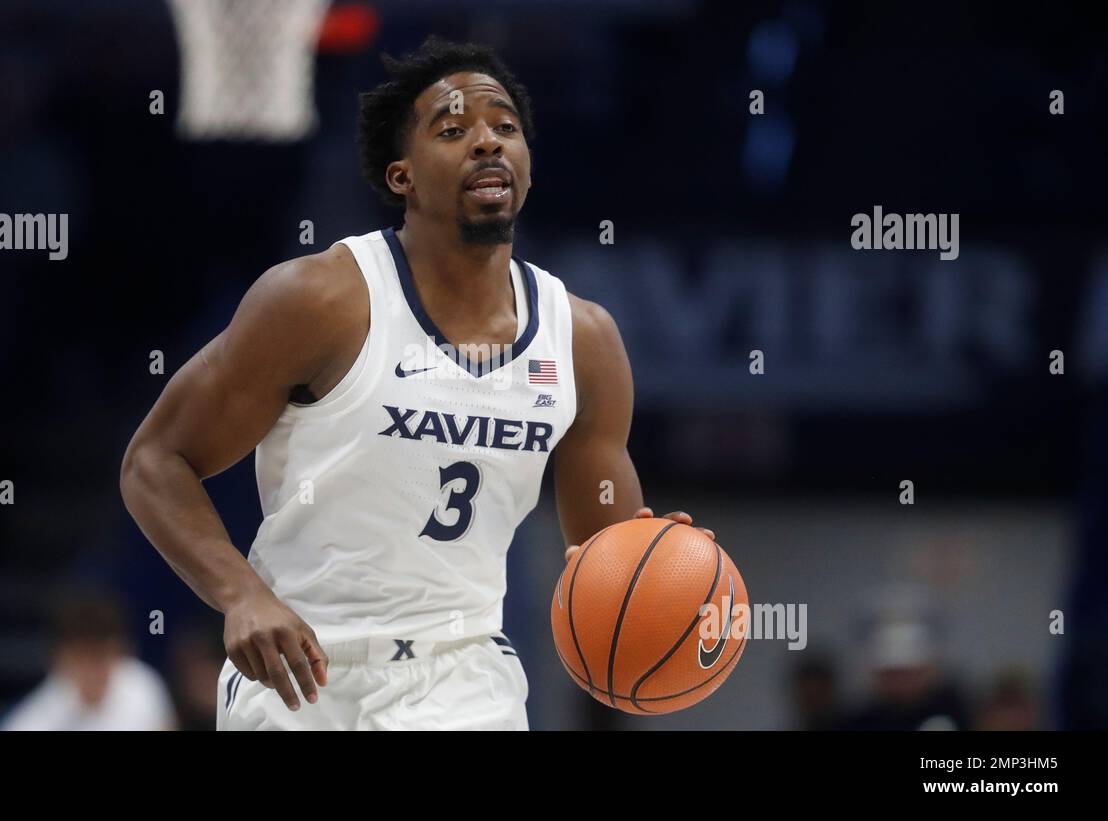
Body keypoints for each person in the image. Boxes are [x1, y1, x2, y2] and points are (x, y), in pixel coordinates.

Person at [120, 37, 715, 730]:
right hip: (304, 672)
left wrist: (658, 563)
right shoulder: (319, 300)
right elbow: (154, 461)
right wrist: (240, 594)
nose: (488, 143)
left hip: (464, 678)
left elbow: (607, 564)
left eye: (505, 127)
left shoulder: (583, 340)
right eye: (454, 129)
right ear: (401, 176)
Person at [0, 591, 175, 731]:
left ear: (120, 651)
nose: (91, 670)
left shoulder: (143, 686)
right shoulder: (33, 720)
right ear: (59, 660)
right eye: (81, 659)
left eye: (99, 656)